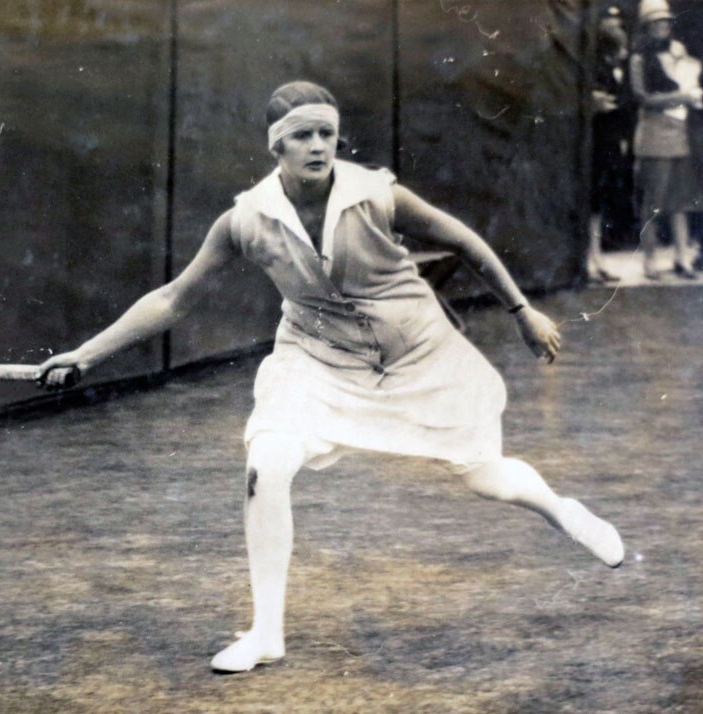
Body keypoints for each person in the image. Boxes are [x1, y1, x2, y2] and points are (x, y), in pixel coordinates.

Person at [38, 81, 625, 673]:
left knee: (487, 479)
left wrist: (522, 312)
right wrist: (86, 354)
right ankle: (267, 632)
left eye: (327, 133)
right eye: (302, 136)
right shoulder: (245, 220)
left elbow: (463, 240)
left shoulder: (376, 193)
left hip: (418, 355)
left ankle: (563, 510)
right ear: (277, 148)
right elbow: (173, 298)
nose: (319, 146)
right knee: (266, 464)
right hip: (315, 358)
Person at [629, 0, 703, 279]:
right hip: (654, 134)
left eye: (666, 22)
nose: (663, 26)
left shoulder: (678, 53)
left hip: (680, 131)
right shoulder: (638, 59)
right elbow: (643, 98)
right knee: (654, 201)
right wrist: (681, 97)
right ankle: (650, 260)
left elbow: (689, 80)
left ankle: (681, 258)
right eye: (656, 22)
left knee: (681, 200)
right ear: (646, 27)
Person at [588, 5, 633, 283]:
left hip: (609, 141)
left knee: (599, 203)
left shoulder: (616, 68)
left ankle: (596, 259)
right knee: (591, 202)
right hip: (595, 142)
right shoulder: (593, 66)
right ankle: (590, 261)